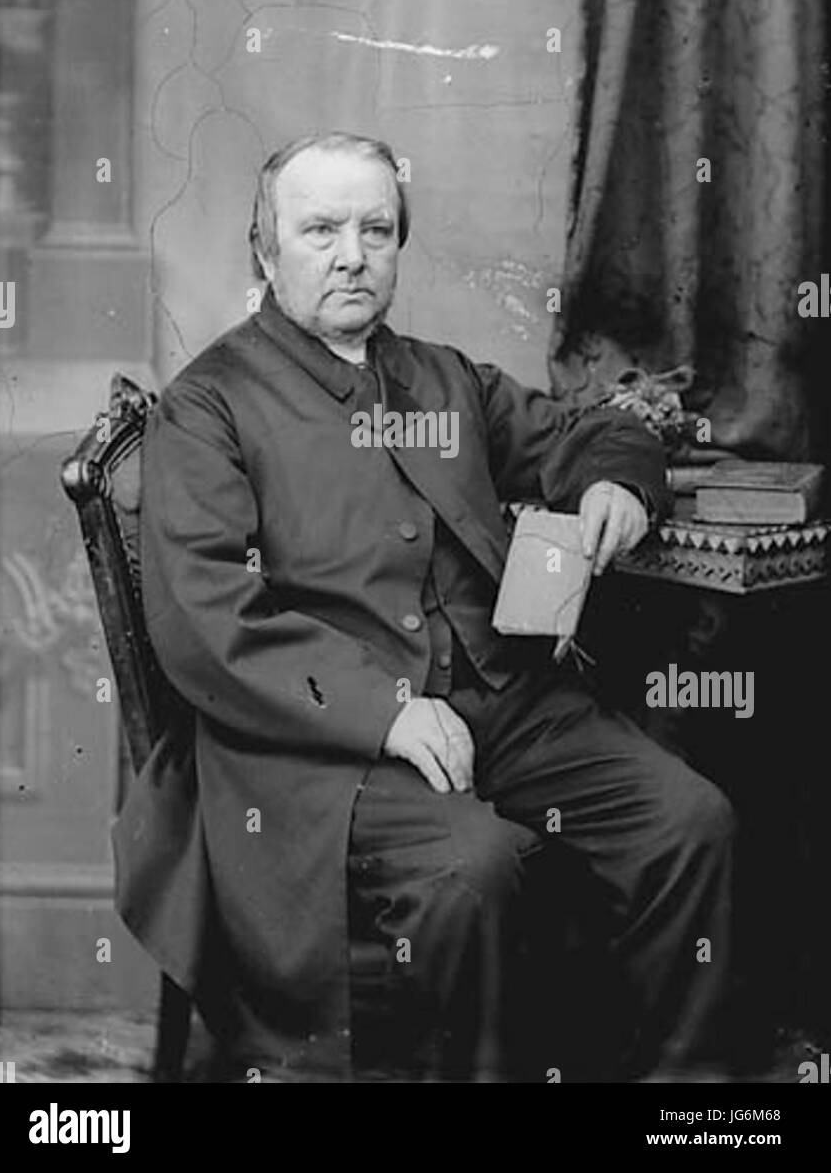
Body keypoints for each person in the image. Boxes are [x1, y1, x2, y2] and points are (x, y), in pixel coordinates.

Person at [114, 131, 734, 1083]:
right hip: (320, 751)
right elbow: (208, 625)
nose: (352, 254)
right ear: (264, 250)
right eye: (319, 229)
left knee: (689, 821)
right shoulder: (208, 409)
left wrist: (619, 485)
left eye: (376, 228)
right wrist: (389, 713)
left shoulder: (442, 377)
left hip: (502, 710)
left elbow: (589, 430)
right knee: (469, 871)